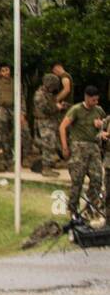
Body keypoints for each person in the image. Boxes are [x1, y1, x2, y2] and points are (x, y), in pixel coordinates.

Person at [59, 86, 108, 220]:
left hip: (94, 147)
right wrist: (65, 147)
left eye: (97, 100)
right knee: (77, 180)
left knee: (97, 179)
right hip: (78, 147)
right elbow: (62, 127)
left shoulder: (98, 110)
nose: (95, 103)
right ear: (86, 98)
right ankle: (73, 209)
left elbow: (105, 126)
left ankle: (91, 207)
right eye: (93, 100)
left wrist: (101, 127)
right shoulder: (76, 110)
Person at [0, 63, 31, 159]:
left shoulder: (16, 83)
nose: (6, 73)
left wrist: (22, 113)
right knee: (3, 134)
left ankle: (24, 156)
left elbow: (21, 98)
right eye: (3, 70)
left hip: (15, 109)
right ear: (0, 72)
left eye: (7, 70)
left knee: (24, 131)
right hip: (2, 110)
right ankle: (7, 156)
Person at [32, 71, 66, 174]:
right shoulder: (39, 95)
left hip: (50, 122)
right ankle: (46, 168)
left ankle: (48, 165)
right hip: (44, 123)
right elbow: (46, 109)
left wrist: (60, 106)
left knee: (51, 144)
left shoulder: (48, 94)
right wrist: (57, 107)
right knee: (48, 145)